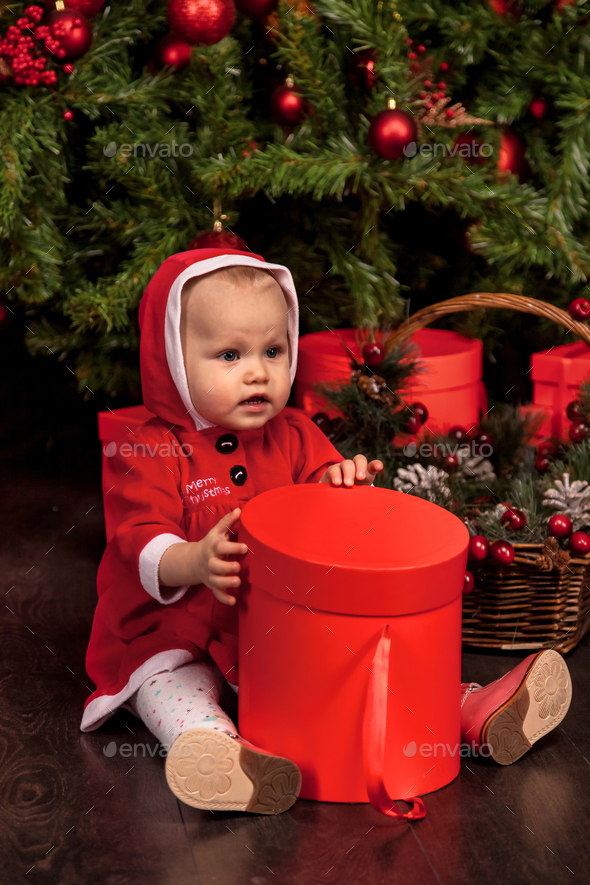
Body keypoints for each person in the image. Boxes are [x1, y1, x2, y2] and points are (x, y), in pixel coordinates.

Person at [80, 247, 572, 816]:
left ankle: (475, 713)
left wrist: (338, 485)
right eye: (230, 354)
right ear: (171, 360)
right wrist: (192, 560)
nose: (258, 371)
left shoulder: (292, 432)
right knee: (174, 684)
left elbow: (322, 512)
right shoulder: (147, 446)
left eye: (272, 350)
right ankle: (215, 750)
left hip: (271, 633)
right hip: (174, 626)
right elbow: (136, 535)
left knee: (355, 679)